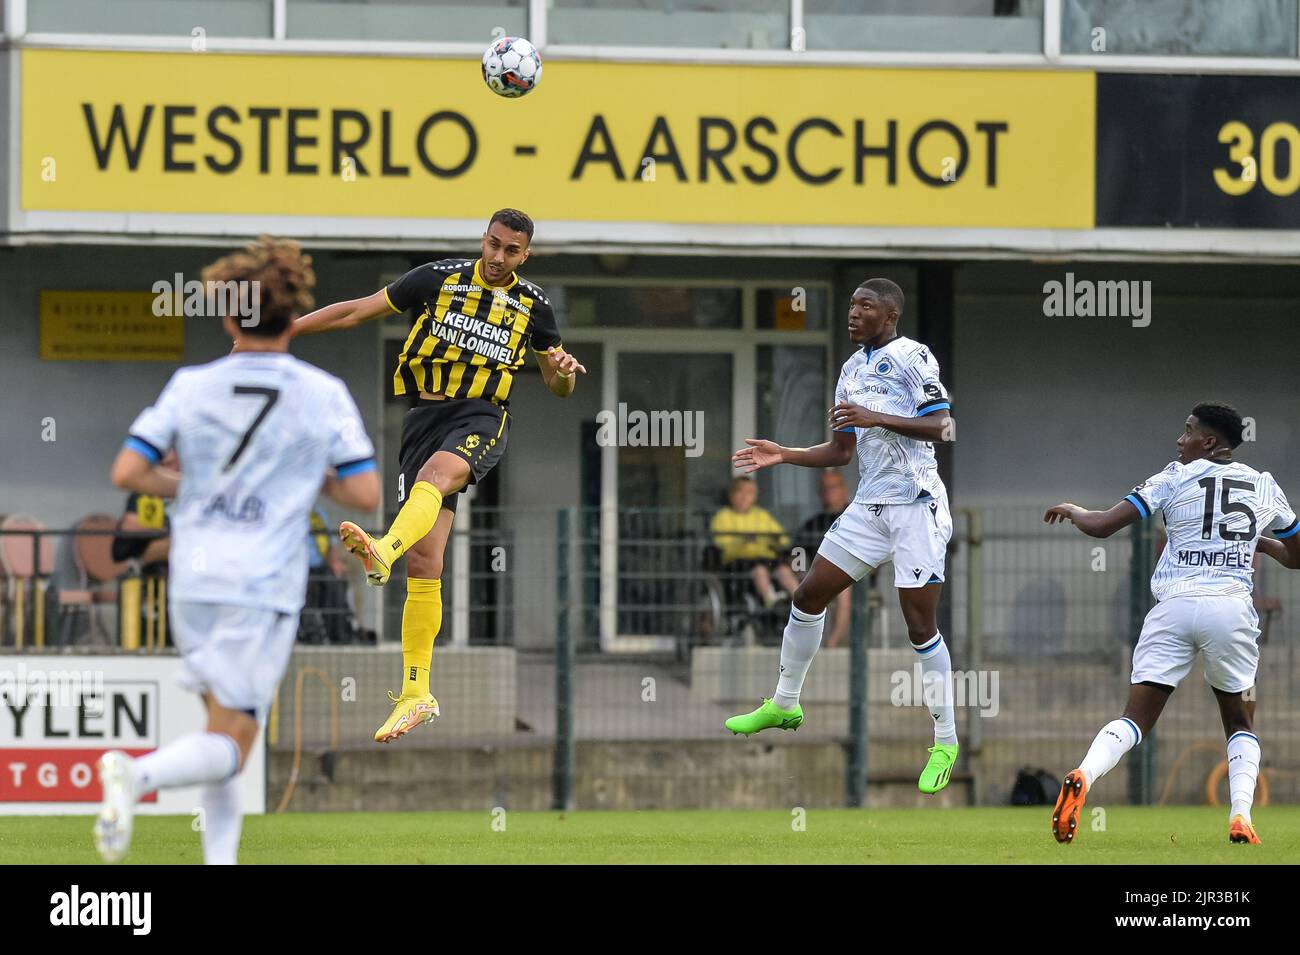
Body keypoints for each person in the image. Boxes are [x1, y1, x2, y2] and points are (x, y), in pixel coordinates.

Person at [96, 237, 381, 864]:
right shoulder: (321, 391)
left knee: (225, 731)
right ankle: (136, 777)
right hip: (261, 584)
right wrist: (301, 478)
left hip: (193, 582)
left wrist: (199, 485)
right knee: (238, 735)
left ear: (230, 318)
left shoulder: (190, 385)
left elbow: (128, 472)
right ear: (293, 317)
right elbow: (364, 493)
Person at [289, 209, 585, 743]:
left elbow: (556, 385)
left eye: (511, 251)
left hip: (482, 416)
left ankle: (382, 549)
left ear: (525, 255)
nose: (498, 257)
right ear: (484, 239)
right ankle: (416, 693)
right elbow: (357, 310)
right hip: (423, 418)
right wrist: (288, 331)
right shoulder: (436, 279)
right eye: (493, 244)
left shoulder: (535, 306)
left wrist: (561, 373)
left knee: (435, 476)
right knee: (426, 562)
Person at [726, 278, 959, 795]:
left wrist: (877, 416)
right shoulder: (851, 368)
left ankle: (945, 740)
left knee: (919, 625)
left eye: (865, 305)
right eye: (852, 304)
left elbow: (944, 427)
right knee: (808, 594)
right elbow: (841, 452)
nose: (853, 313)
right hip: (870, 507)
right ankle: (785, 704)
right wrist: (784, 453)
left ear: (890, 315)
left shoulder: (914, 357)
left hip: (917, 506)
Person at [1043, 402, 1300, 846]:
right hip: (1231, 610)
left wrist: (1074, 509)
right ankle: (1241, 815)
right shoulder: (1262, 485)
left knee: (1135, 718)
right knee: (1240, 720)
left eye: (1188, 431)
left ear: (1211, 442)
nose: (1180, 440)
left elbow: (1102, 526)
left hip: (1174, 608)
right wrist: (1259, 542)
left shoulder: (1173, 476)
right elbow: (1298, 556)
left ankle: (1084, 773)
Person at [710, 476, 799, 609]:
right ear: (732, 495)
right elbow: (721, 543)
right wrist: (742, 541)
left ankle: (801, 602)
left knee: (784, 570)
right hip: (738, 562)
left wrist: (776, 542)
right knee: (759, 570)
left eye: (750, 492)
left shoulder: (761, 515)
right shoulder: (723, 516)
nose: (745, 496)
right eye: (741, 491)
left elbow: (782, 537)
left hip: (766, 558)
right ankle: (771, 601)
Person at [792, 470, 853, 648]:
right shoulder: (812, 523)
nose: (828, 492)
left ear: (843, 489)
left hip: (850, 576)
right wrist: (800, 571)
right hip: (815, 575)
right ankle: (800, 641)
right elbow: (796, 551)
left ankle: (831, 645)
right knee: (788, 576)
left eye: (832, 488)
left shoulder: (855, 517)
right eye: (824, 489)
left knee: (843, 590)